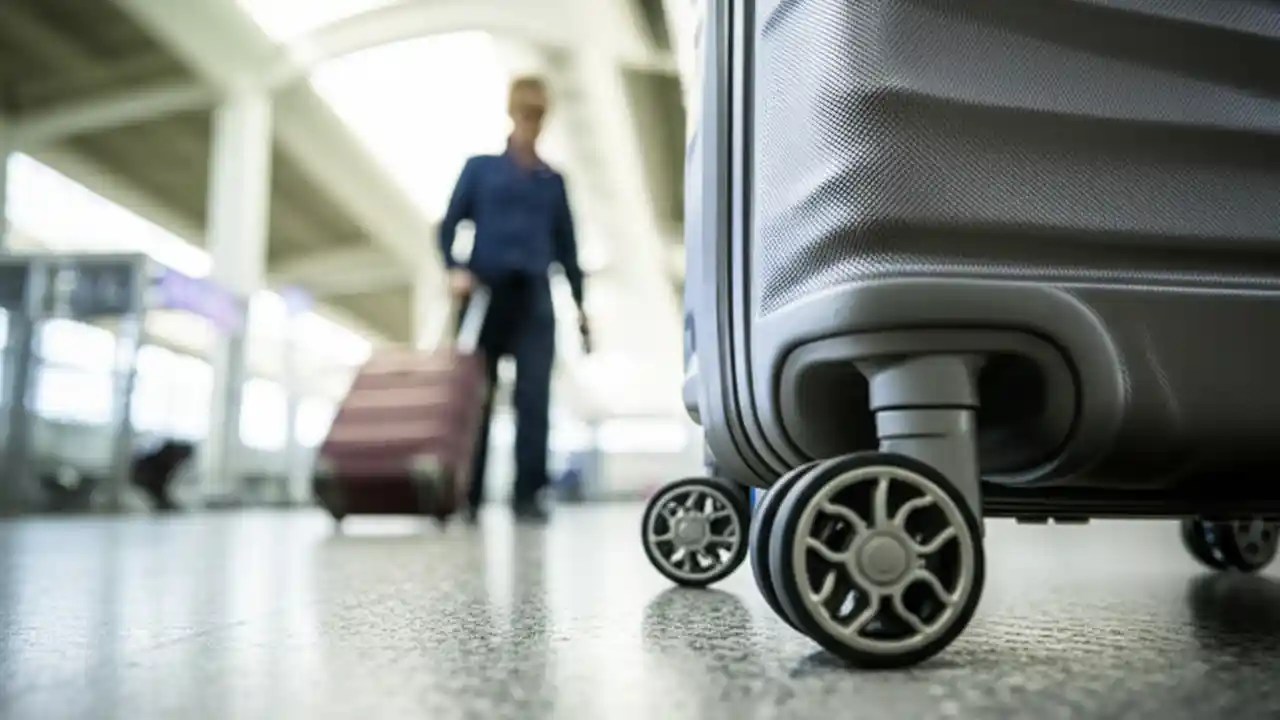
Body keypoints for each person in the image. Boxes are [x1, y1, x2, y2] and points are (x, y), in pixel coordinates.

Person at [439, 76, 590, 523]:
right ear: (511, 111)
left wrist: (581, 311)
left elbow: (569, 251)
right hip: (486, 296)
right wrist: (454, 267)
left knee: (534, 398)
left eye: (538, 113)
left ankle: (528, 495)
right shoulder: (480, 169)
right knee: (477, 398)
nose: (531, 120)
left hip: (536, 300)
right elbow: (449, 225)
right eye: (525, 111)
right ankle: (468, 494)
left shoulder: (552, 181)